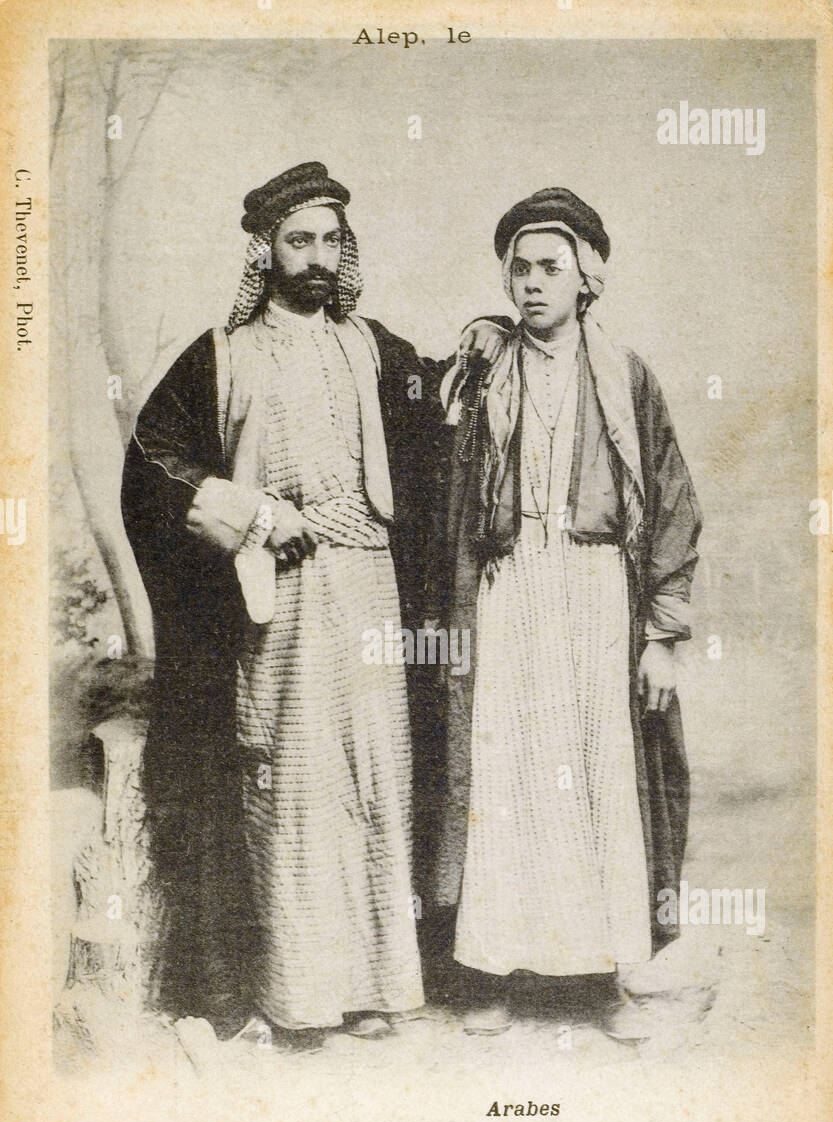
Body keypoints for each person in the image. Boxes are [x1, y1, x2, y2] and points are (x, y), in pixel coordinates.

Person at [121, 161, 502, 1044]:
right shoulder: (219, 355)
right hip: (277, 590)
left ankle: (375, 985)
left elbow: (442, 400)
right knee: (292, 781)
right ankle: (297, 992)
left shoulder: (371, 345)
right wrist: (255, 511)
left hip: (369, 582)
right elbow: (154, 462)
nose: (318, 257)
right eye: (300, 241)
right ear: (265, 251)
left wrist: (482, 337)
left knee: (375, 774)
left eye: (332, 240)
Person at [430, 187, 703, 1037]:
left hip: (597, 595)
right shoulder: (480, 374)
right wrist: (475, 340)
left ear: (587, 277)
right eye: (518, 269)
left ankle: (610, 978)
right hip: (508, 593)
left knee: (599, 774)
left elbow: (670, 506)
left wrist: (660, 635)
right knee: (505, 772)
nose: (531, 284)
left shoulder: (625, 376)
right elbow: (433, 470)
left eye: (550, 267)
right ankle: (493, 974)